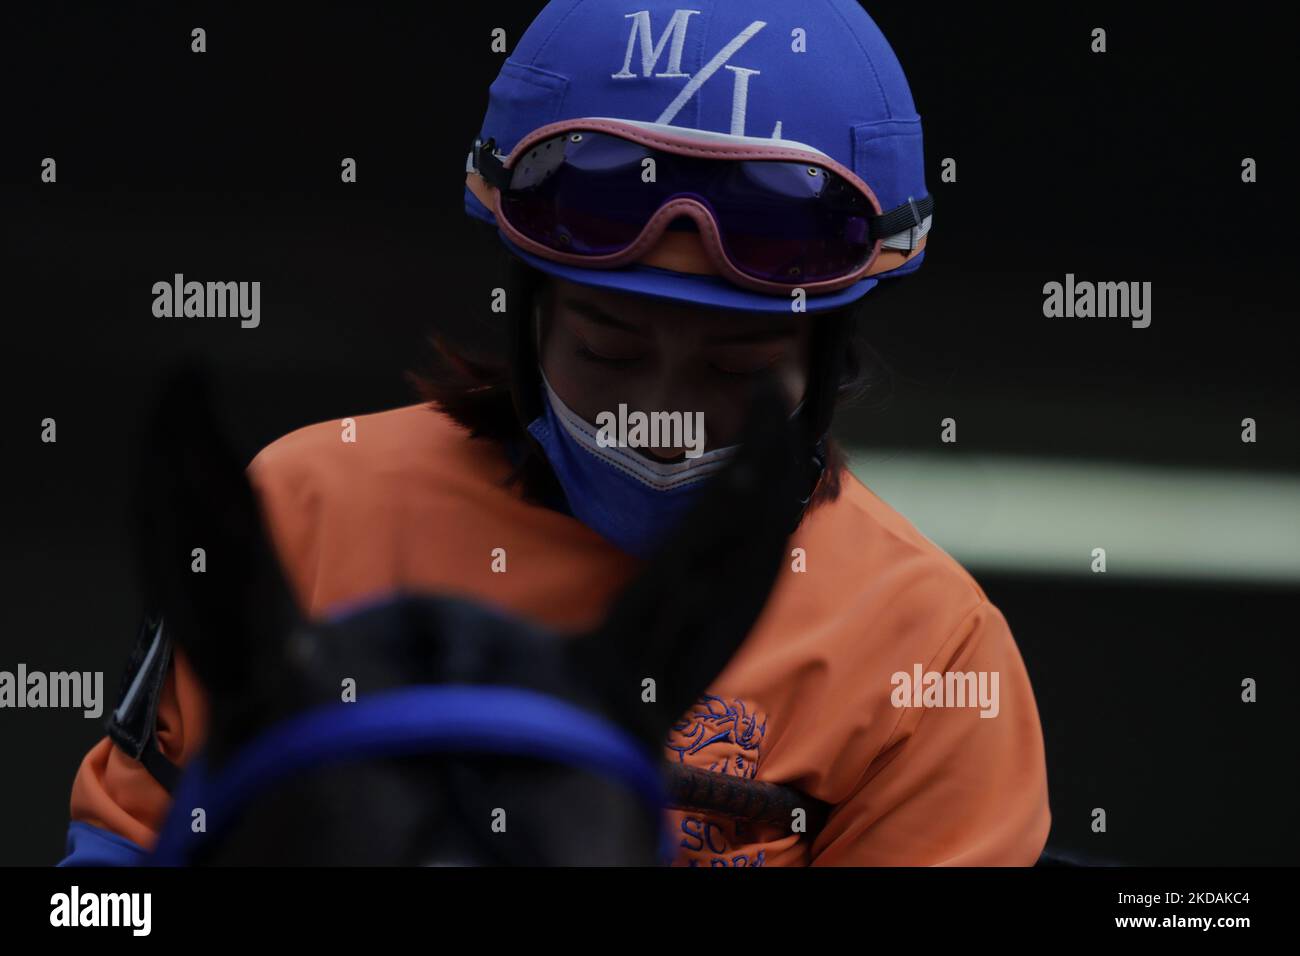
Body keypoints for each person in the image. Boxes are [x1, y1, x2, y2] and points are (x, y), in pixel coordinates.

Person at [60, 0, 1050, 867]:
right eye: (609, 348)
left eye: (736, 367)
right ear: (530, 312)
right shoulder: (304, 504)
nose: (663, 413)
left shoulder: (936, 655)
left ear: (827, 352)